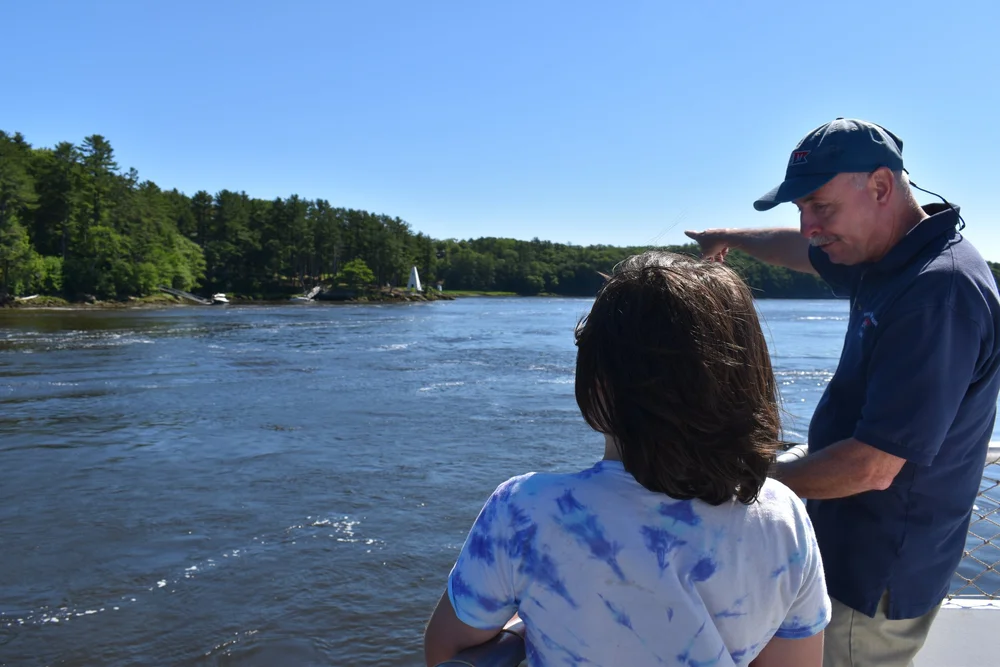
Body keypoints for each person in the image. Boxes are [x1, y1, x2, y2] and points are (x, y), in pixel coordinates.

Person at [685, 117, 1000, 667]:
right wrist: (731, 238)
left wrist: (740, 486)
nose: (809, 226)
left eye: (820, 207)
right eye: (801, 209)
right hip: (846, 539)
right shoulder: (884, 257)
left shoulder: (938, 292)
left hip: (872, 575)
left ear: (880, 186)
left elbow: (872, 468)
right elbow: (800, 250)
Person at [423, 251, 831, 667]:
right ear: (747, 382)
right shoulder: (784, 518)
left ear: (598, 385)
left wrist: (523, 626)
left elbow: (447, 653)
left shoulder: (525, 511)